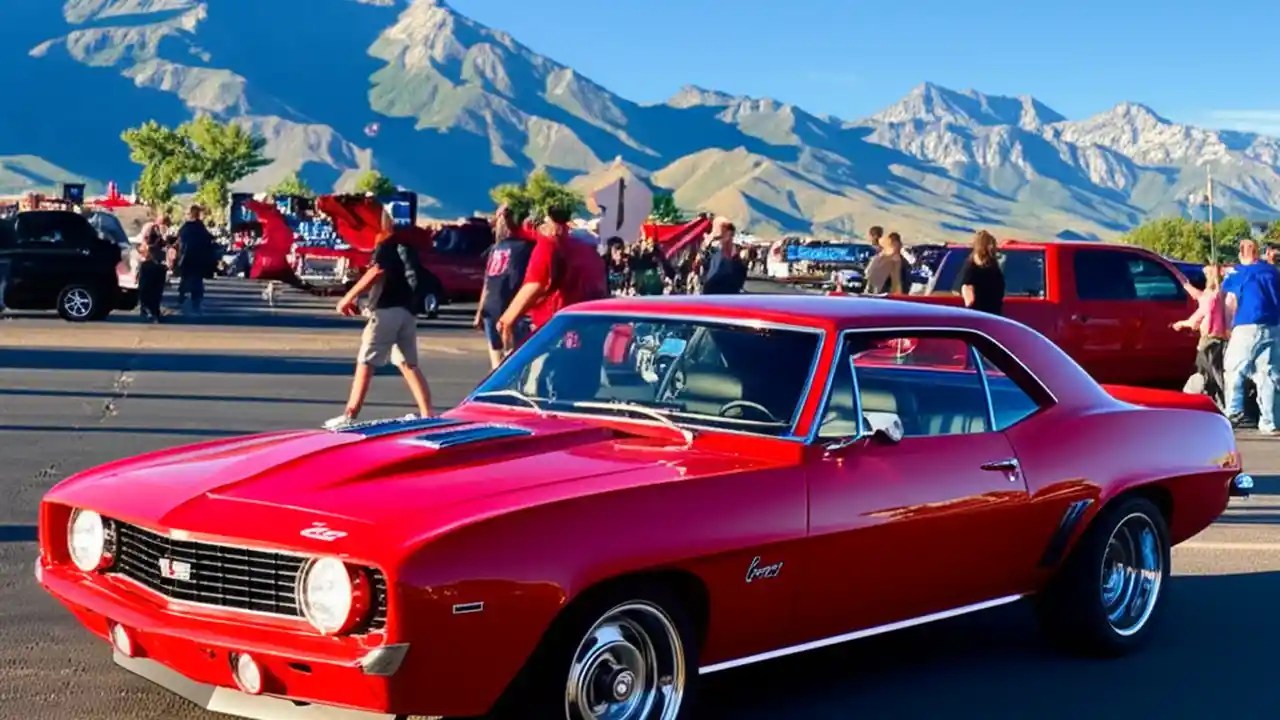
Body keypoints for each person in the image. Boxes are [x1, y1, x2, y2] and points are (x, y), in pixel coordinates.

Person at [326, 209, 434, 429]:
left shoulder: (384, 242)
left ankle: (349, 415)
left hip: (385, 311)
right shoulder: (408, 245)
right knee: (408, 363)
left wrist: (348, 297)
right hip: (407, 311)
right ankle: (427, 415)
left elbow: (376, 271)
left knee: (366, 362)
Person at [496, 207, 608, 346]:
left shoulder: (549, 244)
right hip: (591, 328)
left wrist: (507, 319)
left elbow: (536, 283)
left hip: (557, 330)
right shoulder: (587, 250)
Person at [1222, 239, 1280, 434]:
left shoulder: (1238, 273)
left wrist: (1228, 327)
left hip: (1247, 324)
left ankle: (1233, 413)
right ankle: (1269, 422)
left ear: (1241, 253)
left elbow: (1230, 302)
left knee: (1234, 369)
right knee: (1269, 374)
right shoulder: (1272, 272)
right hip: (1273, 326)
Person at [474, 206, 534, 369]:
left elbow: (489, 280)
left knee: (500, 363)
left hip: (496, 306)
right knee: (513, 362)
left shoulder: (499, 248)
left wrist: (480, 311)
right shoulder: (524, 247)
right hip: (507, 308)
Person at [1174, 264, 1230, 408]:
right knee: (1216, 371)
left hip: (1208, 339)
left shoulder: (1209, 298)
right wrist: (1186, 285)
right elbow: (1199, 296)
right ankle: (1218, 400)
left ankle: (1199, 400)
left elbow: (1196, 319)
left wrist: (1181, 323)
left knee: (1204, 371)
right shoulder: (1223, 295)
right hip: (1221, 339)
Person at [176, 204, 215, 314]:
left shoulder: (186, 227)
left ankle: (183, 296)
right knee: (197, 280)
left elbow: (180, 242)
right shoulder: (200, 227)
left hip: (186, 257)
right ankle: (195, 300)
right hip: (198, 258)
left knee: (185, 278)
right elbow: (208, 240)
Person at [959, 230, 1005, 314]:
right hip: (982, 314)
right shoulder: (974, 266)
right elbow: (968, 293)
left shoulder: (989, 265)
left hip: (986, 315)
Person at [137, 212, 170, 321]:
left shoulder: (165, 231)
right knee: (146, 287)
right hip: (148, 261)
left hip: (159, 263)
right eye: (162, 222)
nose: (163, 224)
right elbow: (145, 242)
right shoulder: (149, 227)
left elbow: (167, 244)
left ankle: (154, 310)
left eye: (165, 223)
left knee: (157, 289)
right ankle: (146, 309)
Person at [700, 217, 747, 295]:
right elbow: (700, 260)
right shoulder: (713, 253)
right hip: (711, 297)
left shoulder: (737, 260)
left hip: (726, 298)